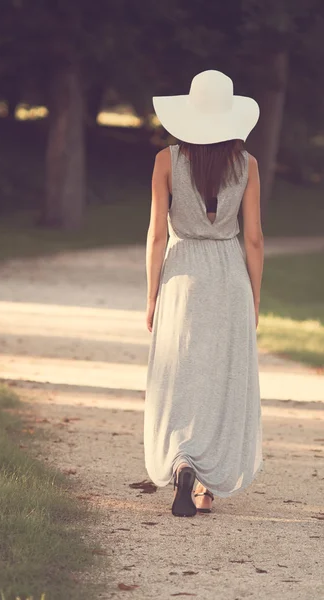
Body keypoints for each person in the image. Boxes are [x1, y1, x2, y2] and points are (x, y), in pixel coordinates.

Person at [144, 70, 264, 517]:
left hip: (183, 273)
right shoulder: (247, 165)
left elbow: (158, 234)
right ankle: (206, 487)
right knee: (222, 376)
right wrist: (253, 297)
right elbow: (253, 238)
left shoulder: (165, 161)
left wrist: (153, 294)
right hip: (229, 274)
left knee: (181, 374)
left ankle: (181, 461)